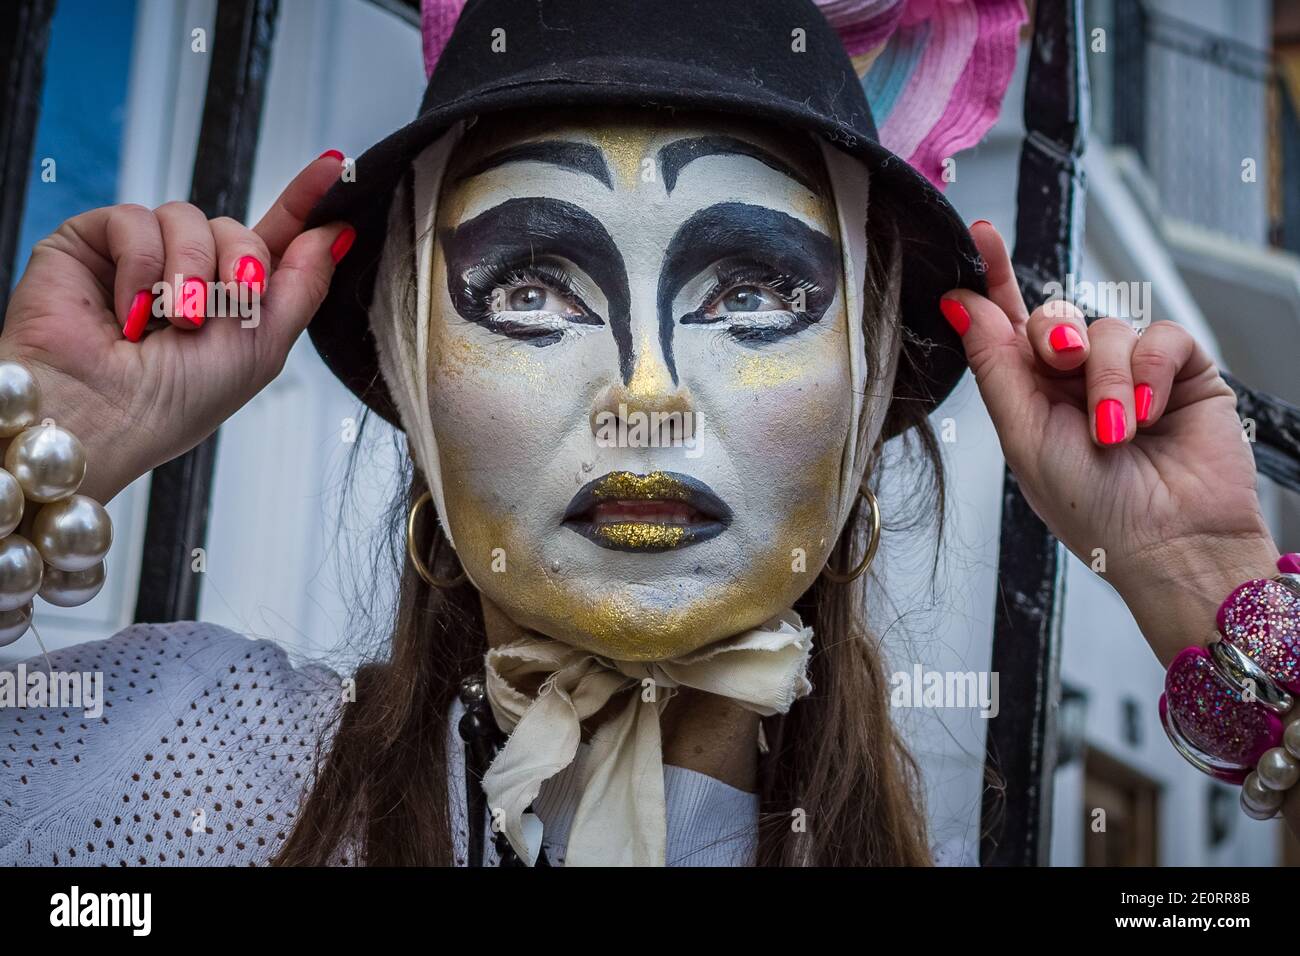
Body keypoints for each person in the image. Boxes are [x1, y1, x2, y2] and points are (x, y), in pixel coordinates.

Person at [0, 0, 1290, 867]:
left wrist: (1206, 585)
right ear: (410, 361)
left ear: (864, 380)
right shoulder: (177, 765)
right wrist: (43, 440)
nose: (647, 394)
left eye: (756, 292)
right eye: (530, 287)